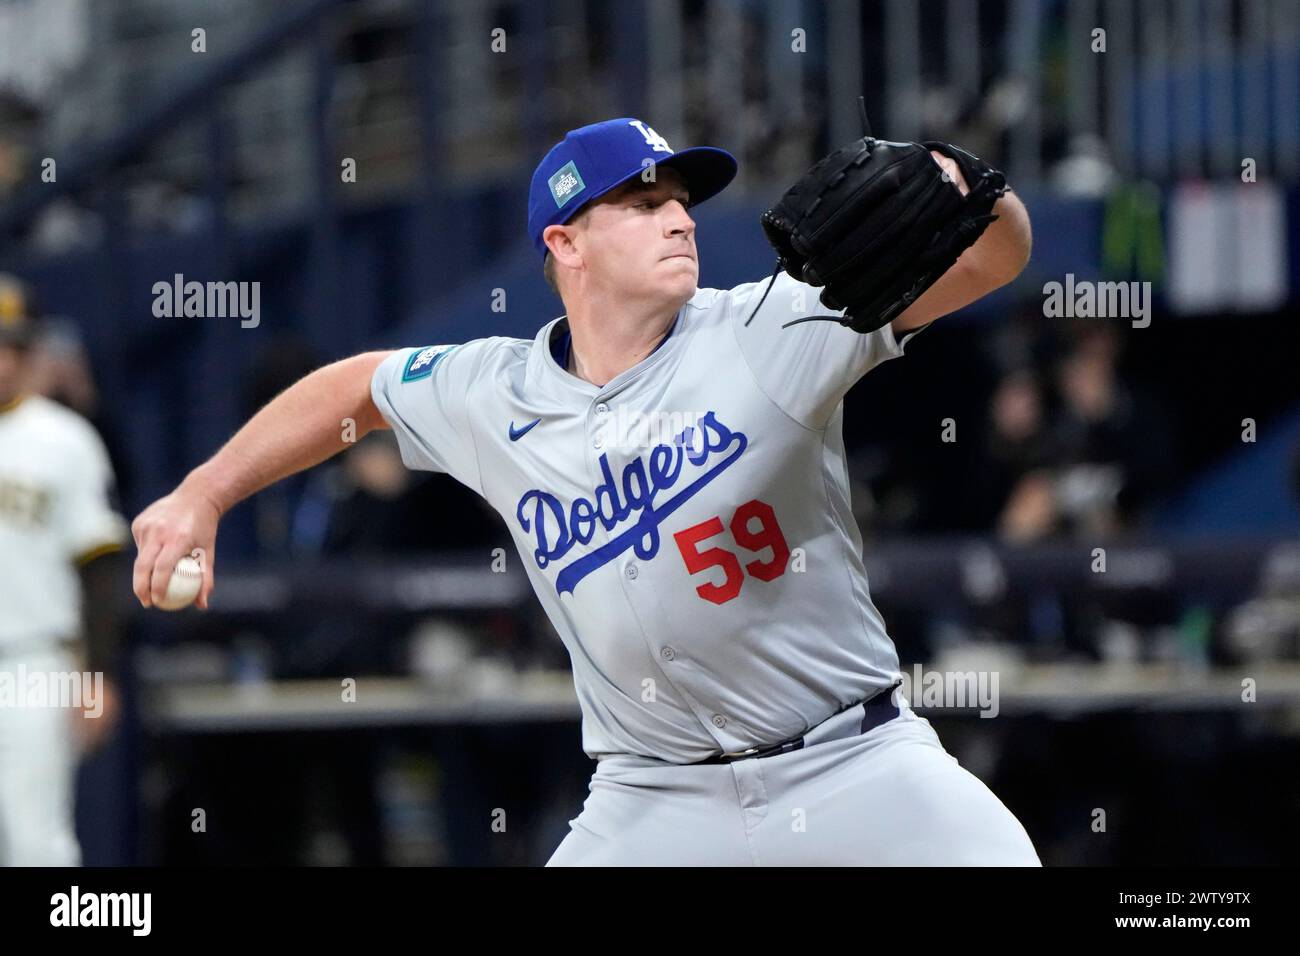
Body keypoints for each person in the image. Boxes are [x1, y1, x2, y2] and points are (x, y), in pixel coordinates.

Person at [131, 118, 1038, 865]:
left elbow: (999, 260)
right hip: (656, 796)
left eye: (681, 201)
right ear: (565, 243)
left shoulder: (775, 323)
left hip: (852, 764)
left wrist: (966, 181)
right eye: (643, 204)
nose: (680, 220)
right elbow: (357, 389)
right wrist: (203, 495)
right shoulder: (494, 392)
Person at [0, 292, 127, 865]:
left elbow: (98, 566)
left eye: (12, 347)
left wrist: (99, 674)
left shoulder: (64, 438)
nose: (2, 361)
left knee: (35, 842)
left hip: (32, 662)